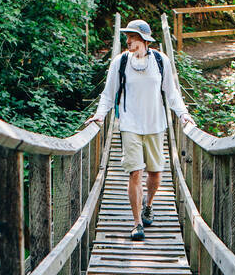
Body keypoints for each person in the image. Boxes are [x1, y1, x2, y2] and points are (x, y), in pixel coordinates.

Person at [80, 18, 194, 240]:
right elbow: (108, 93)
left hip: (155, 124)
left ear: (144, 40)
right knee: (135, 172)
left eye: (132, 37)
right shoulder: (120, 62)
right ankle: (137, 222)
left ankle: (148, 204)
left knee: (155, 174)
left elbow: (171, 94)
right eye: (127, 37)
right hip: (129, 125)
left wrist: (183, 114)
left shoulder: (161, 61)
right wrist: (99, 115)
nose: (128, 41)